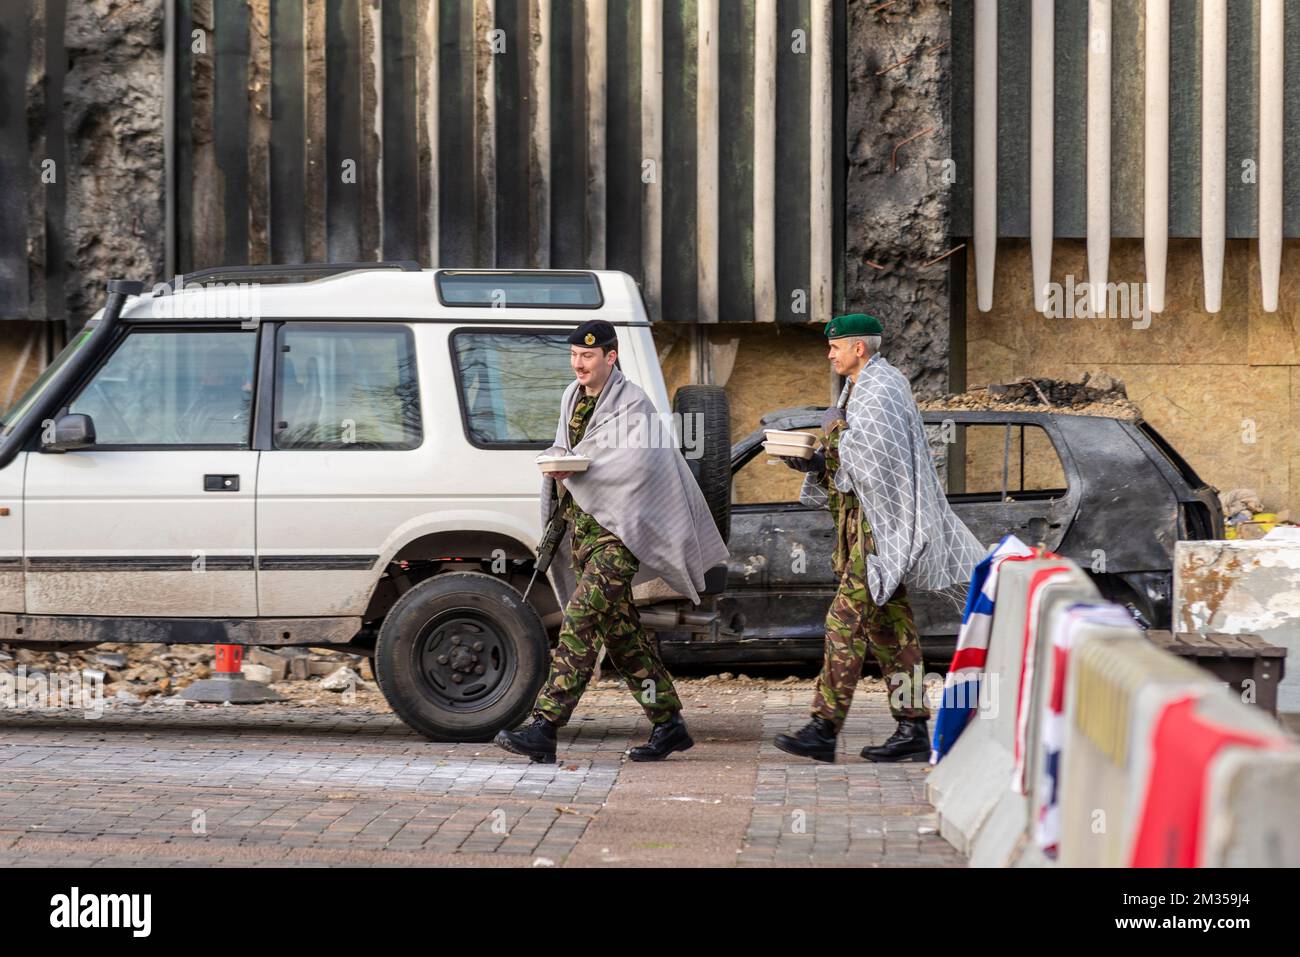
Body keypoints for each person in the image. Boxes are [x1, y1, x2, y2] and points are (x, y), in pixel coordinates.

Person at [495, 320, 729, 764]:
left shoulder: (634, 404)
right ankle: (669, 724)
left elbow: (636, 471)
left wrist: (582, 470)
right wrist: (561, 467)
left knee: (580, 619)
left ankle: (544, 727)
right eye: (573, 356)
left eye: (587, 356)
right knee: (622, 637)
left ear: (610, 357)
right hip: (583, 532)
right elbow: (569, 449)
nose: (578, 364)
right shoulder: (571, 397)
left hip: (619, 535)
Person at [774, 313, 984, 762]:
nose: (830, 353)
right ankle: (912, 728)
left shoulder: (883, 388)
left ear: (859, 349)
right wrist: (815, 463)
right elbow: (853, 458)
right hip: (861, 530)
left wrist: (828, 440)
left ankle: (823, 727)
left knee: (842, 624)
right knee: (891, 633)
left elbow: (872, 463)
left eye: (836, 346)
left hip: (879, 532)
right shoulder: (858, 388)